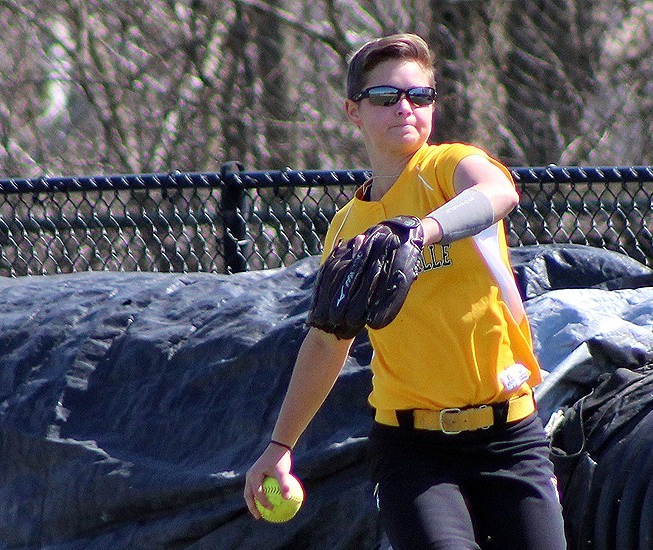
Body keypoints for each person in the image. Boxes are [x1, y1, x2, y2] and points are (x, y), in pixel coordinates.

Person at [243, 33, 567, 549]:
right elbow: (328, 341)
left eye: (420, 96)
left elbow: (499, 191)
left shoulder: (446, 168)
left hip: (510, 435)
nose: (406, 108)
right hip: (414, 450)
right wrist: (280, 447)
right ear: (354, 111)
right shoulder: (349, 229)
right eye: (386, 97)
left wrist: (422, 231)